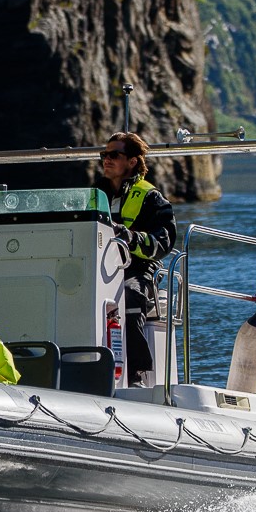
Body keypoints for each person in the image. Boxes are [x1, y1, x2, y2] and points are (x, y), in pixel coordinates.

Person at [97, 131, 177, 386]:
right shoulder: (93, 193)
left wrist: (131, 237)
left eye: (114, 155)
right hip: (96, 267)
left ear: (132, 161)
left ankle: (136, 374)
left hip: (137, 270)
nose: (106, 160)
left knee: (128, 297)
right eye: (104, 154)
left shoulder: (151, 197)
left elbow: (163, 243)